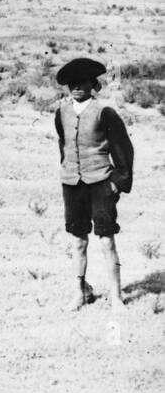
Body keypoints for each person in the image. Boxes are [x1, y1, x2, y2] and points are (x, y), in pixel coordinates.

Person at [55, 57, 134, 313]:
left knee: (106, 240)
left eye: (82, 82)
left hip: (101, 182)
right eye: (71, 83)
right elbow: (63, 144)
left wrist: (118, 183)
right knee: (78, 241)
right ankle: (79, 294)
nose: (76, 86)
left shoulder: (105, 112)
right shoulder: (61, 112)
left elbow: (123, 148)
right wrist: (67, 169)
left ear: (93, 84)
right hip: (72, 184)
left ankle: (117, 298)